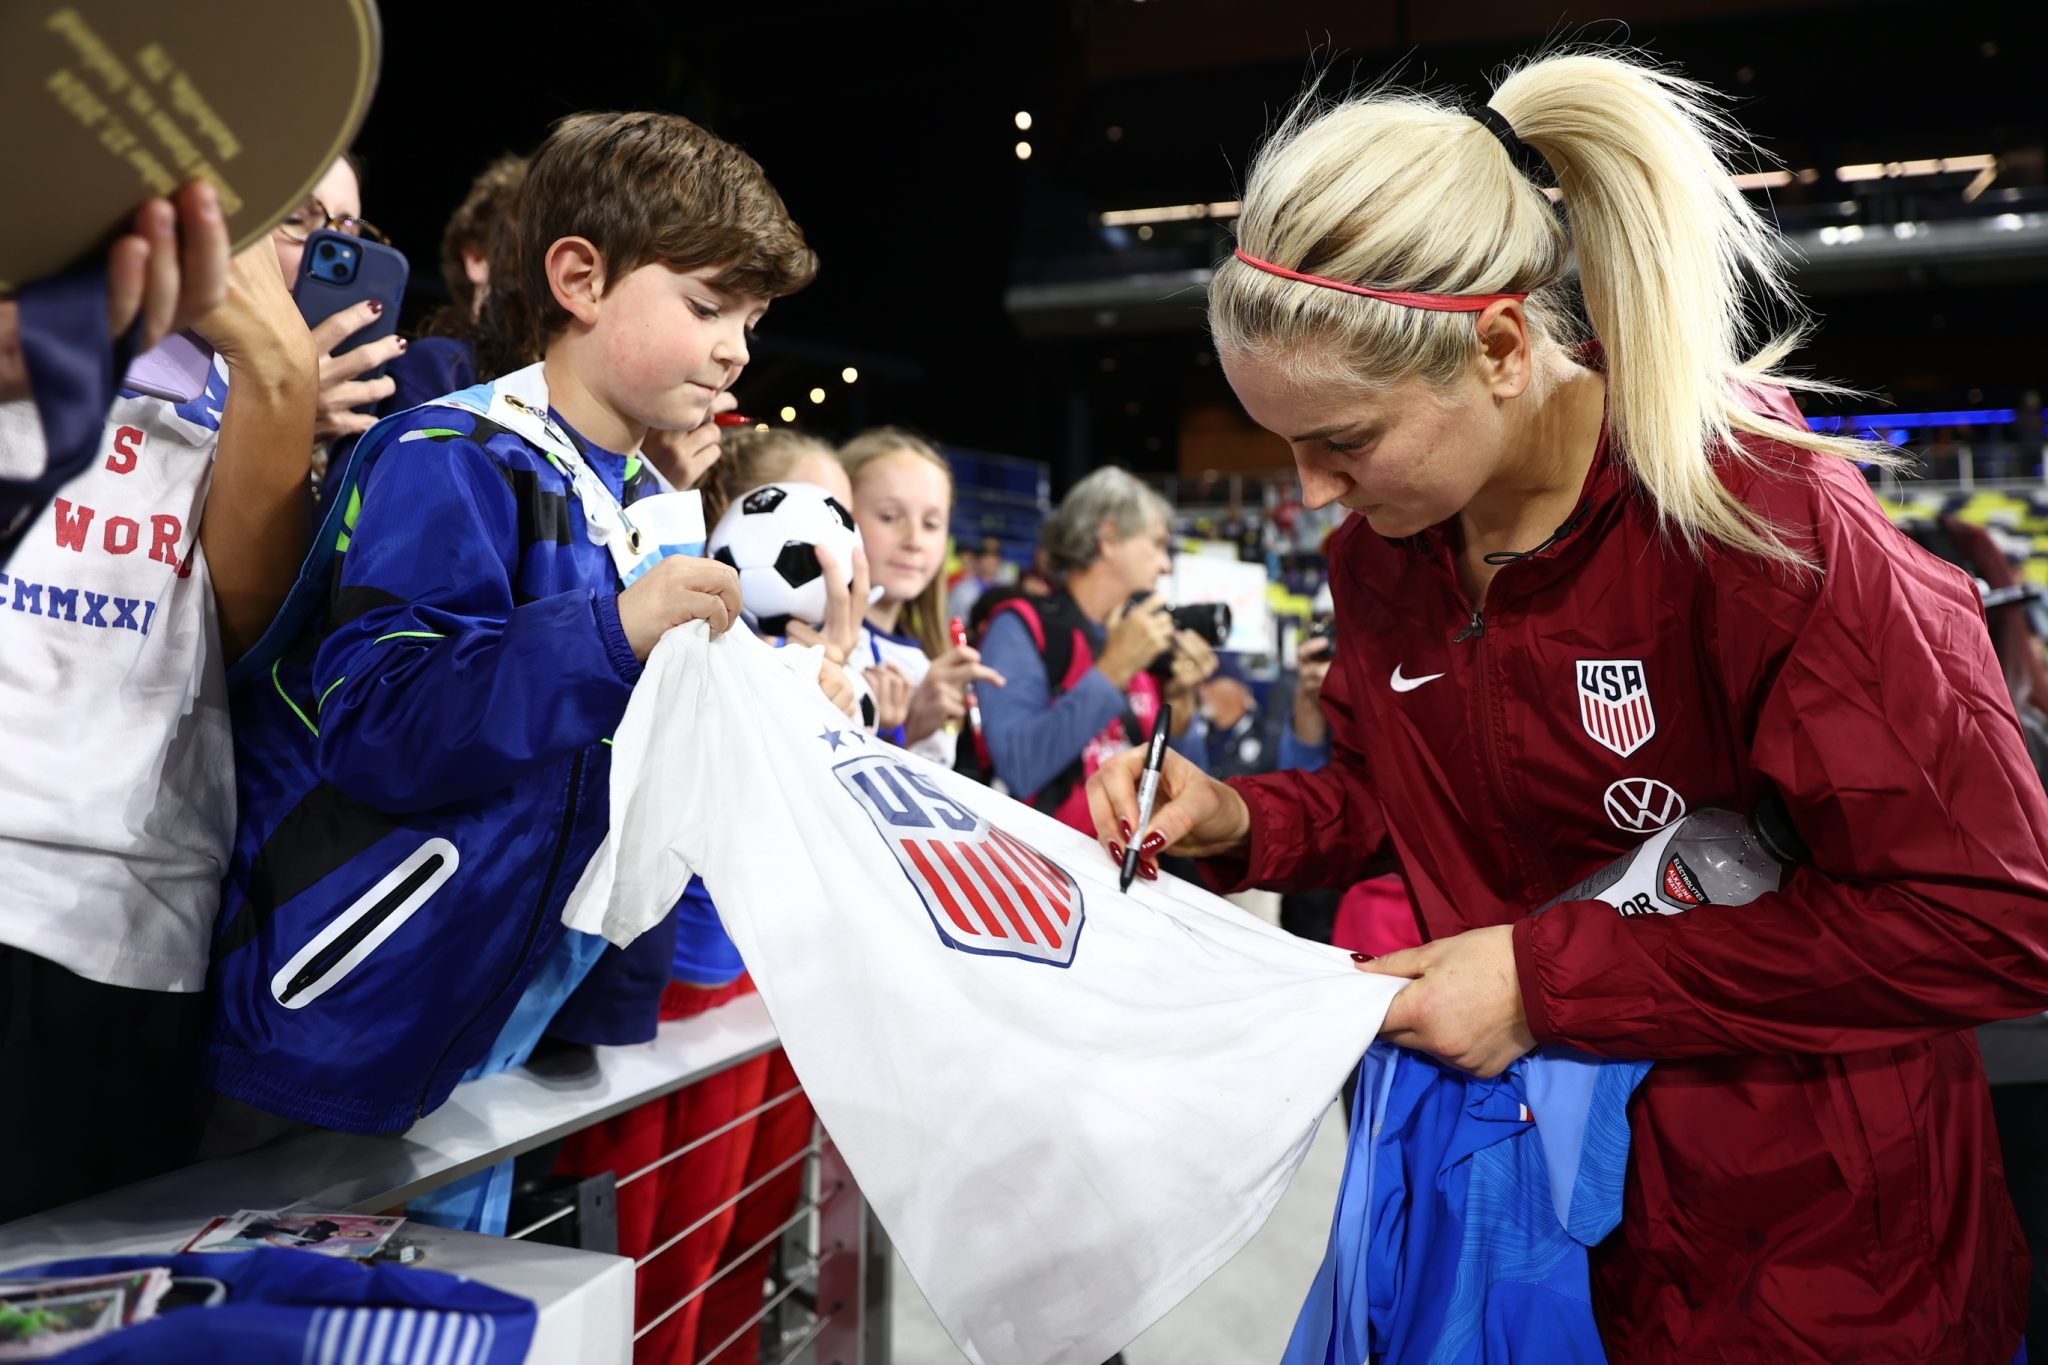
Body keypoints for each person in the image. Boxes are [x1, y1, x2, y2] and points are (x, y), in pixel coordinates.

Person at [1086, 49, 2048, 1363]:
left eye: (1344, 442)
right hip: (1523, 1229)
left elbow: (1990, 915)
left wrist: (1547, 985)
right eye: (1284, 447)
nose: (1309, 493)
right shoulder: (1382, 553)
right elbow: (1414, 803)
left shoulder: (1767, 525)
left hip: (1809, 1261)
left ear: (1494, 345)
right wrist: (1235, 818)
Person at [202, 110, 816, 1143]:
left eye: (750, 321)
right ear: (578, 279)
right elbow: (383, 725)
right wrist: (610, 634)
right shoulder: (447, 455)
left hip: (455, 1040)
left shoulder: (627, 501)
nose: (732, 351)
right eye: (709, 305)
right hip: (315, 1028)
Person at [0, 211, 320, 1216]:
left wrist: (283, 384)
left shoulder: (270, 412)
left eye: (338, 228)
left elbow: (242, 630)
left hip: (126, 925)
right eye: (298, 212)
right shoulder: (33, 327)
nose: (299, 242)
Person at [979, 466, 1215, 843]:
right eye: (1156, 544)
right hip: (1050, 879)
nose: (1165, 564)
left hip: (1137, 878)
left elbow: (1189, 798)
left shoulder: (1146, 640)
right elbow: (1020, 767)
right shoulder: (1021, 627)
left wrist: (1182, 716)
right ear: (1108, 536)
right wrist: (1114, 668)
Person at [839, 428, 1004, 765]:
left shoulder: (929, 656)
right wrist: (906, 729)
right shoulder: (810, 647)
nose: (913, 539)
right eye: (889, 517)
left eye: (931, 524)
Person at [945, 533, 1006, 624]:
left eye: (995, 556)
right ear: (978, 560)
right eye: (986, 557)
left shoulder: (1005, 589)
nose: (990, 561)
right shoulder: (963, 589)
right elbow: (950, 619)